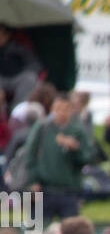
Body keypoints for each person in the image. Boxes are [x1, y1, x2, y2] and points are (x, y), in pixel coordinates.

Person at [23, 93, 97, 221]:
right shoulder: (42, 127)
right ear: (52, 109)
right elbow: (30, 155)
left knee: (71, 228)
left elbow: (88, 158)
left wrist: (75, 149)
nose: (61, 113)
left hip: (69, 190)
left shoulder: (77, 130)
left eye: (65, 109)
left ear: (71, 111)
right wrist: (32, 181)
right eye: (58, 109)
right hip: (44, 189)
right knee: (37, 230)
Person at [0, 24, 42, 108]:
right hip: (1, 79)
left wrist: (25, 72)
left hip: (18, 78)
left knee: (29, 78)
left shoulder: (18, 48)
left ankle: (17, 109)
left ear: (7, 35)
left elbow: (34, 64)